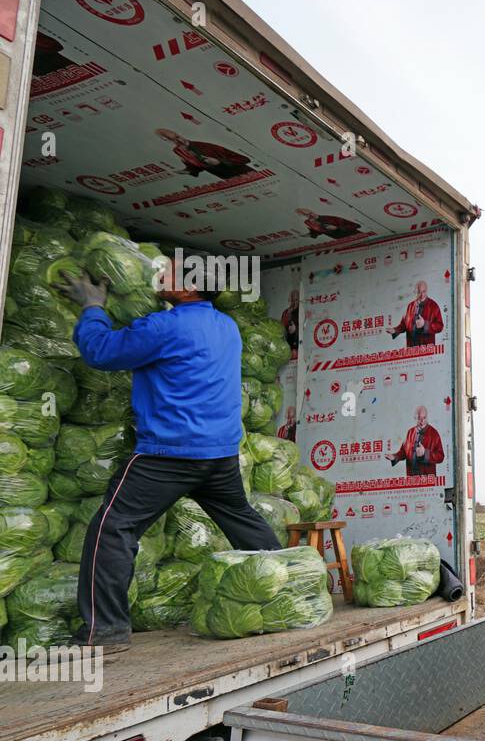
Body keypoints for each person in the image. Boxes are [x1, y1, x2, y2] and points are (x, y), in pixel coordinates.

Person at [58, 262, 282, 654]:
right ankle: (288, 587)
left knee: (113, 528)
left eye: (172, 273)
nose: (162, 275)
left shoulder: (165, 327)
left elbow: (101, 351)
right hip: (221, 453)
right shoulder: (227, 327)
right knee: (244, 521)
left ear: (190, 287)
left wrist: (93, 307)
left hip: (169, 454)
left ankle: (105, 630)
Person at [156, 128, 254, 181]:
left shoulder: (204, 146)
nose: (179, 141)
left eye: (177, 137)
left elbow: (244, 159)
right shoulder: (178, 151)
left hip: (246, 174)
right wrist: (189, 170)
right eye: (172, 140)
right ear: (167, 141)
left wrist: (219, 162)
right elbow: (196, 165)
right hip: (227, 178)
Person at [386, 405, 444, 476]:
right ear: (415, 418)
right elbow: (404, 452)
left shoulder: (434, 433)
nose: (422, 421)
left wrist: (425, 453)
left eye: (424, 418)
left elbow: (440, 456)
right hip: (412, 478)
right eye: (419, 418)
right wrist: (395, 457)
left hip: (427, 478)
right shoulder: (410, 432)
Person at [387, 280, 444, 348]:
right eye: (419, 292)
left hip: (426, 349)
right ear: (415, 292)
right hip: (411, 348)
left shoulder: (433, 306)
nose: (422, 295)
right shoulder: (410, 306)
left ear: (427, 290)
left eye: (424, 291)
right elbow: (404, 325)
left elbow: (440, 326)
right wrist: (395, 330)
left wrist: (425, 324)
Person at [296, 207, 362, 241]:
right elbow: (317, 231)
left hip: (356, 236)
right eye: (306, 216)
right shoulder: (310, 223)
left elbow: (355, 226)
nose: (310, 217)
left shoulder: (330, 218)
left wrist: (337, 228)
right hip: (343, 240)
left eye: (310, 213)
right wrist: (307, 234)